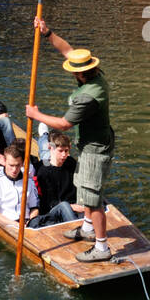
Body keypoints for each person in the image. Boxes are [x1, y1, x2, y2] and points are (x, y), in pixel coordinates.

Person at [25, 21, 115, 262]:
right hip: (90, 143)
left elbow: (65, 124)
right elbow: (68, 51)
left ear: (80, 73)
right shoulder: (95, 76)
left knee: (93, 199)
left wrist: (36, 115)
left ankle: (101, 246)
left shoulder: (88, 97)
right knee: (84, 189)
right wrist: (48, 34)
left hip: (96, 150)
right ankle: (86, 227)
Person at [29, 131, 84, 227]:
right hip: (54, 210)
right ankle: (76, 229)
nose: (64, 155)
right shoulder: (43, 171)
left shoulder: (70, 162)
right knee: (64, 206)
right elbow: (50, 202)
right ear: (51, 148)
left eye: (66, 151)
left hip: (74, 205)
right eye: (60, 151)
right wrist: (72, 207)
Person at [0, 142, 39, 225]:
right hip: (6, 225)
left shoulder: (29, 181)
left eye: (17, 165)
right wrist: (17, 225)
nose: (14, 169)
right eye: (11, 165)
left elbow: (34, 207)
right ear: (4, 162)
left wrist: (30, 222)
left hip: (28, 223)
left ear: (22, 164)